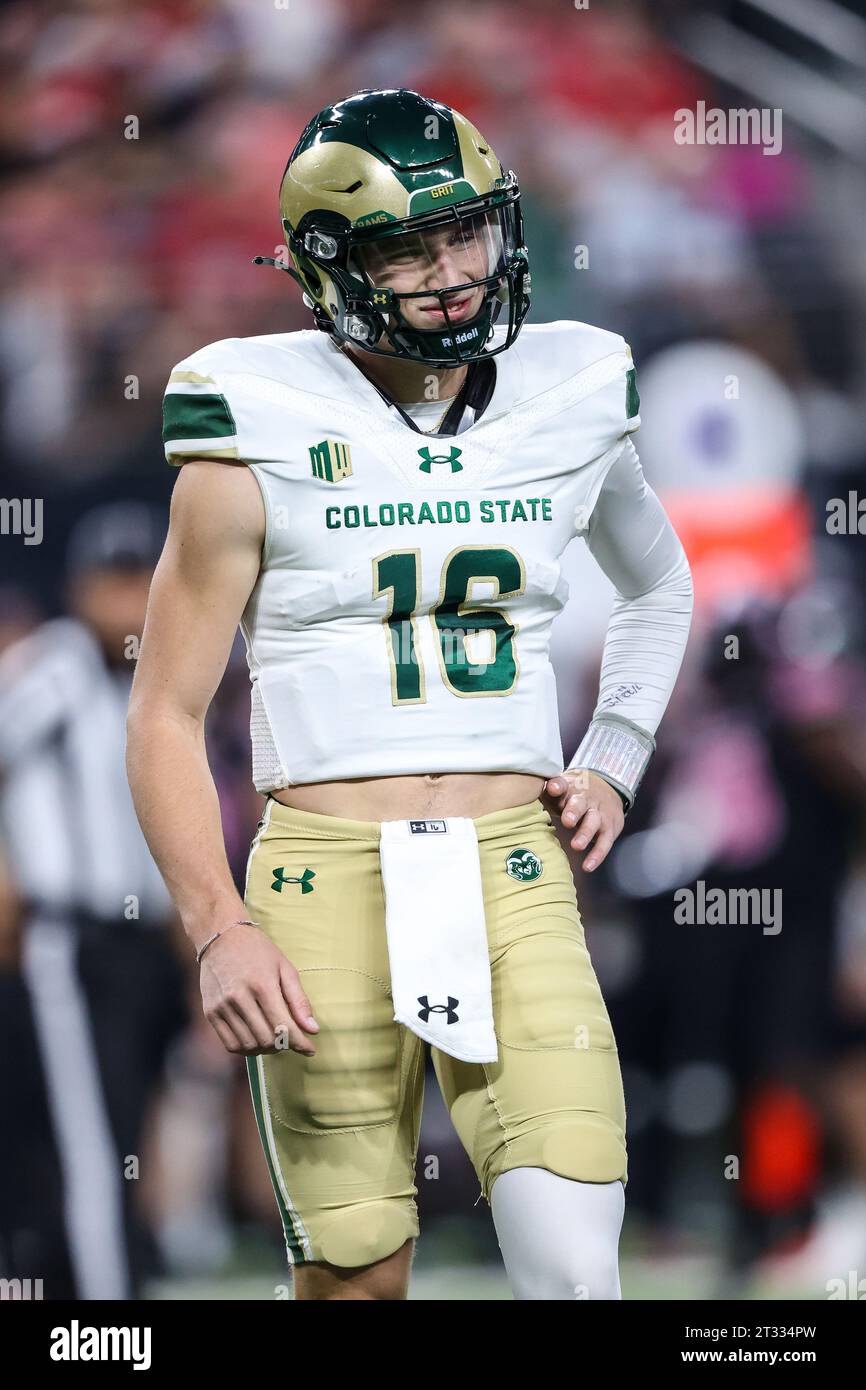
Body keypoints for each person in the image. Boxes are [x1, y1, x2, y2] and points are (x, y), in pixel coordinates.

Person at [127, 88, 693, 1300]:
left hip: (512, 866)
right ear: (333, 264)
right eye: (403, 245)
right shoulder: (250, 414)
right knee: (353, 1279)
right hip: (319, 877)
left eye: (464, 233)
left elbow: (658, 586)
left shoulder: (574, 383)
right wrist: (219, 927)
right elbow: (166, 710)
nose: (447, 271)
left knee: (573, 1270)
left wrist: (615, 749)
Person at [0, 502, 189, 1299]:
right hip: (69, 942)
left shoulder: (159, 678)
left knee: (125, 1131)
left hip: (143, 948)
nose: (126, 603)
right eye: (112, 583)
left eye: (139, 582)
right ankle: (110, 1317)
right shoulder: (57, 667)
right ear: (79, 588)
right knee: (89, 1142)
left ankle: (106, 1293)